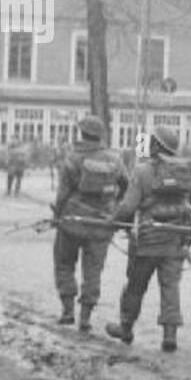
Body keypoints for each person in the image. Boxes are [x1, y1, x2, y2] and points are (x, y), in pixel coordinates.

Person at [106, 127, 191, 352]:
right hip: (175, 241)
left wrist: (113, 221)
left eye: (152, 141)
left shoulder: (142, 170)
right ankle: (170, 336)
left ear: (156, 145)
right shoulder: (185, 171)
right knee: (171, 287)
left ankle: (126, 328)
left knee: (135, 286)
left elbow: (128, 206)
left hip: (147, 241)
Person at [51, 115, 128, 332]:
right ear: (101, 135)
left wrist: (58, 214)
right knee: (93, 271)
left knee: (64, 264)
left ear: (82, 133)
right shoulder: (115, 160)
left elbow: (62, 193)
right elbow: (126, 186)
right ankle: (85, 318)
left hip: (72, 222)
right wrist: (115, 209)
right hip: (102, 224)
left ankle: (67, 311)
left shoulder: (72, 158)